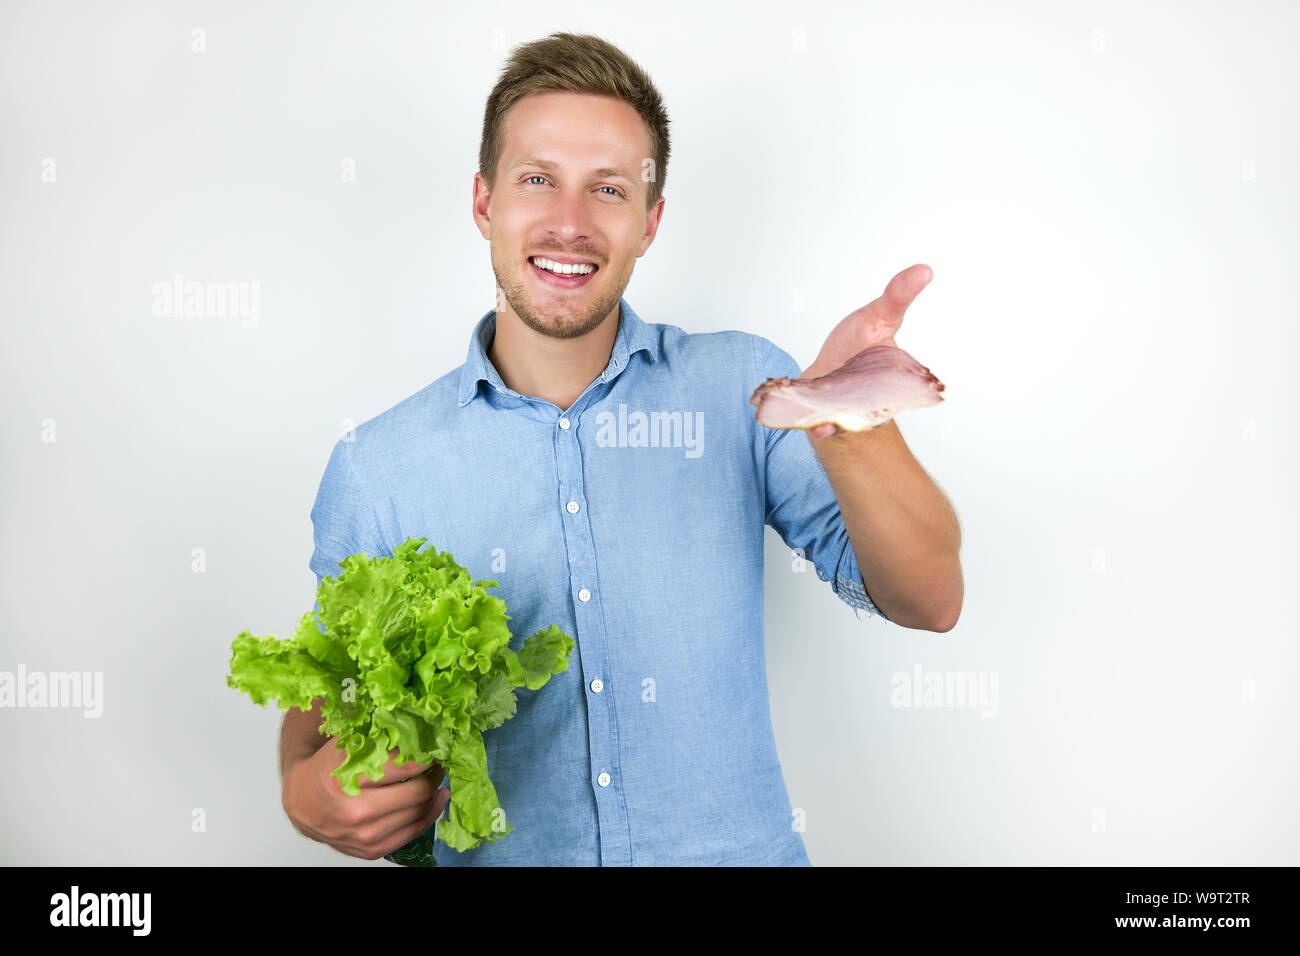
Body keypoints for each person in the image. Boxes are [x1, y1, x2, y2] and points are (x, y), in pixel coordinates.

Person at [280, 31, 963, 866]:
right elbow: (330, 691)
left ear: (650, 223)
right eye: (538, 180)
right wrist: (301, 787)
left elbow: (929, 600)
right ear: (483, 202)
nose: (570, 224)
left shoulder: (745, 388)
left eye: (608, 189)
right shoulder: (379, 468)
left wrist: (847, 419)